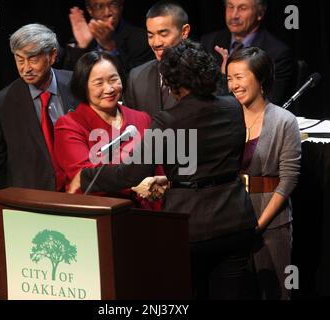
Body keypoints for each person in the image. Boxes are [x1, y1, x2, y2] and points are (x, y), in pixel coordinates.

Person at [69, 40, 258, 299]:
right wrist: (171, 178)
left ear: (171, 82)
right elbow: (219, 163)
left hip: (192, 227)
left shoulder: (168, 120)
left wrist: (87, 175)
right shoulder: (233, 107)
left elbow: (132, 173)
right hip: (236, 220)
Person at [0, 24, 79, 260]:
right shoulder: (1, 104)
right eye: (19, 59)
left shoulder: (78, 85)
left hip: (79, 197)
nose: (25, 68)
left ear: (52, 56)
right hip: (31, 205)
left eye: (32, 59)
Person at [226, 47, 301, 299]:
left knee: (277, 291)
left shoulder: (284, 120)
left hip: (272, 219)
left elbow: (289, 178)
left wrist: (259, 225)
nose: (233, 85)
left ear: (260, 78)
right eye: (229, 78)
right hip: (232, 220)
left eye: (239, 77)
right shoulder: (227, 118)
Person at [54, 51, 162, 208]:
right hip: (98, 215)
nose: (109, 89)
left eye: (113, 79)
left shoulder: (141, 118)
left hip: (146, 214)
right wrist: (134, 186)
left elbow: (157, 168)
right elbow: (85, 176)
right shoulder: (69, 125)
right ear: (83, 86)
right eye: (99, 83)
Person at [201, 0, 294, 106]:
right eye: (230, 7)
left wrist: (226, 78)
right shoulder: (208, 42)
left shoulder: (276, 53)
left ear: (260, 14)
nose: (234, 15)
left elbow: (266, 103)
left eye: (242, 8)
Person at [123, 1, 191, 117]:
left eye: (163, 34)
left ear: (184, 32)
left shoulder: (201, 75)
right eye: (150, 35)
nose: (156, 43)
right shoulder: (136, 77)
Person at [62, 0, 153, 75]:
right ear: (90, 10)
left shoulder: (142, 39)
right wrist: (81, 47)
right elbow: (68, 80)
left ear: (121, 6)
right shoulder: (80, 39)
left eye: (113, 4)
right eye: (99, 7)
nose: (107, 12)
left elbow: (135, 82)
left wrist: (110, 48)